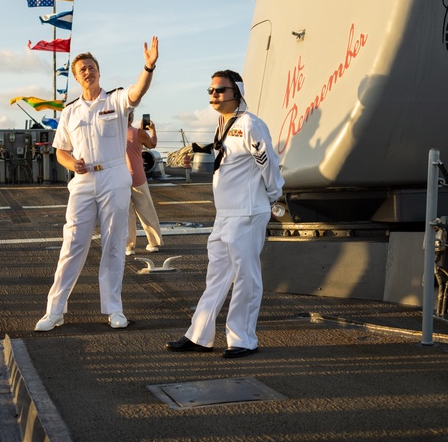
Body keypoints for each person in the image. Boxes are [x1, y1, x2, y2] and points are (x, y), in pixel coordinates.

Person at [35, 37, 160, 331]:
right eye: (82, 70)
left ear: (99, 72)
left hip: (115, 175)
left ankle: (114, 309)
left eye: (91, 68)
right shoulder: (70, 112)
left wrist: (148, 66)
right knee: (72, 243)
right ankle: (55, 310)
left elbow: (137, 91)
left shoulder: (115, 100)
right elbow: (61, 150)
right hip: (83, 180)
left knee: (114, 243)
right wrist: (71, 163)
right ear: (77, 77)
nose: (87, 72)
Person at [166, 69, 284, 359]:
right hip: (225, 214)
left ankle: (243, 338)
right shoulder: (224, 123)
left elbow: (267, 162)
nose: (214, 95)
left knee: (246, 276)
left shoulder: (251, 124)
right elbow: (229, 154)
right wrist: (197, 147)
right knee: (216, 276)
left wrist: (270, 197)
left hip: (246, 212)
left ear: (237, 93)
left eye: (220, 90)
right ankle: (199, 335)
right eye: (211, 91)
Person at [125, 111, 163, 255]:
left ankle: (129, 246)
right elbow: (152, 144)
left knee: (127, 213)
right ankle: (153, 243)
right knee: (146, 210)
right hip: (138, 177)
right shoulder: (138, 132)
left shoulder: (113, 133)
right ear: (132, 118)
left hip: (121, 178)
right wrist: (152, 130)